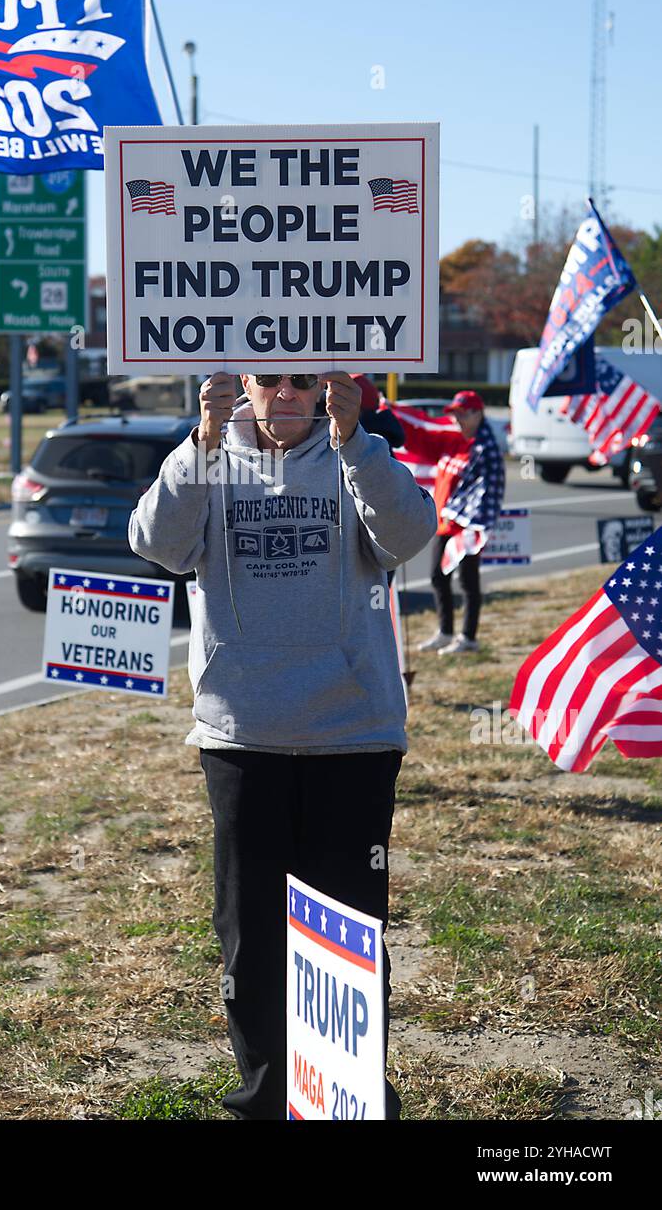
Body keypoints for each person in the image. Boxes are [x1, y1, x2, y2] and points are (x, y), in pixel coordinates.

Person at [128, 371, 437, 1120]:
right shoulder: (208, 456)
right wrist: (198, 445)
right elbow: (157, 545)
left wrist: (357, 443)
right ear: (244, 386)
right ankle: (265, 1100)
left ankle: (349, 1100)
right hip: (242, 736)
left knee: (347, 936)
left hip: (353, 737)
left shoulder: (358, 454)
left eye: (306, 382)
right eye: (272, 381)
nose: (288, 396)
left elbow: (409, 535)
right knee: (253, 937)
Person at [389, 390, 505, 655]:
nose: (457, 420)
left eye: (463, 414)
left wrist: (467, 524)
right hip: (445, 524)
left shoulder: (486, 450)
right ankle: (446, 631)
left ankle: (468, 637)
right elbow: (421, 441)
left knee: (467, 581)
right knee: (438, 578)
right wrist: (392, 414)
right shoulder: (453, 441)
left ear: (478, 414)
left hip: (466, 527)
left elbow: (487, 493)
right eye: (455, 414)